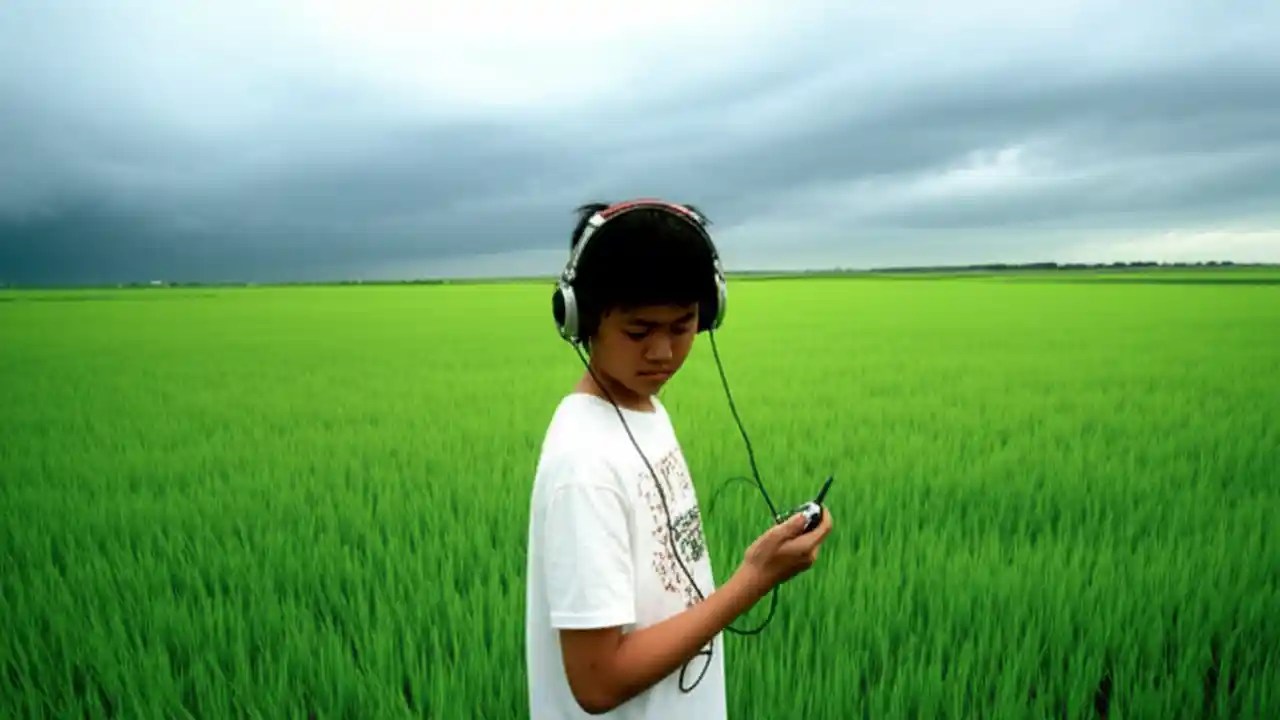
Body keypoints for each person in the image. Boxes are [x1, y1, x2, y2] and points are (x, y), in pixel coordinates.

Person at [524, 199, 833, 719]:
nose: (663, 353)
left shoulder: (643, 409)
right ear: (579, 317)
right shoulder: (584, 467)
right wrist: (754, 579)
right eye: (639, 331)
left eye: (683, 324)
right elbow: (598, 684)